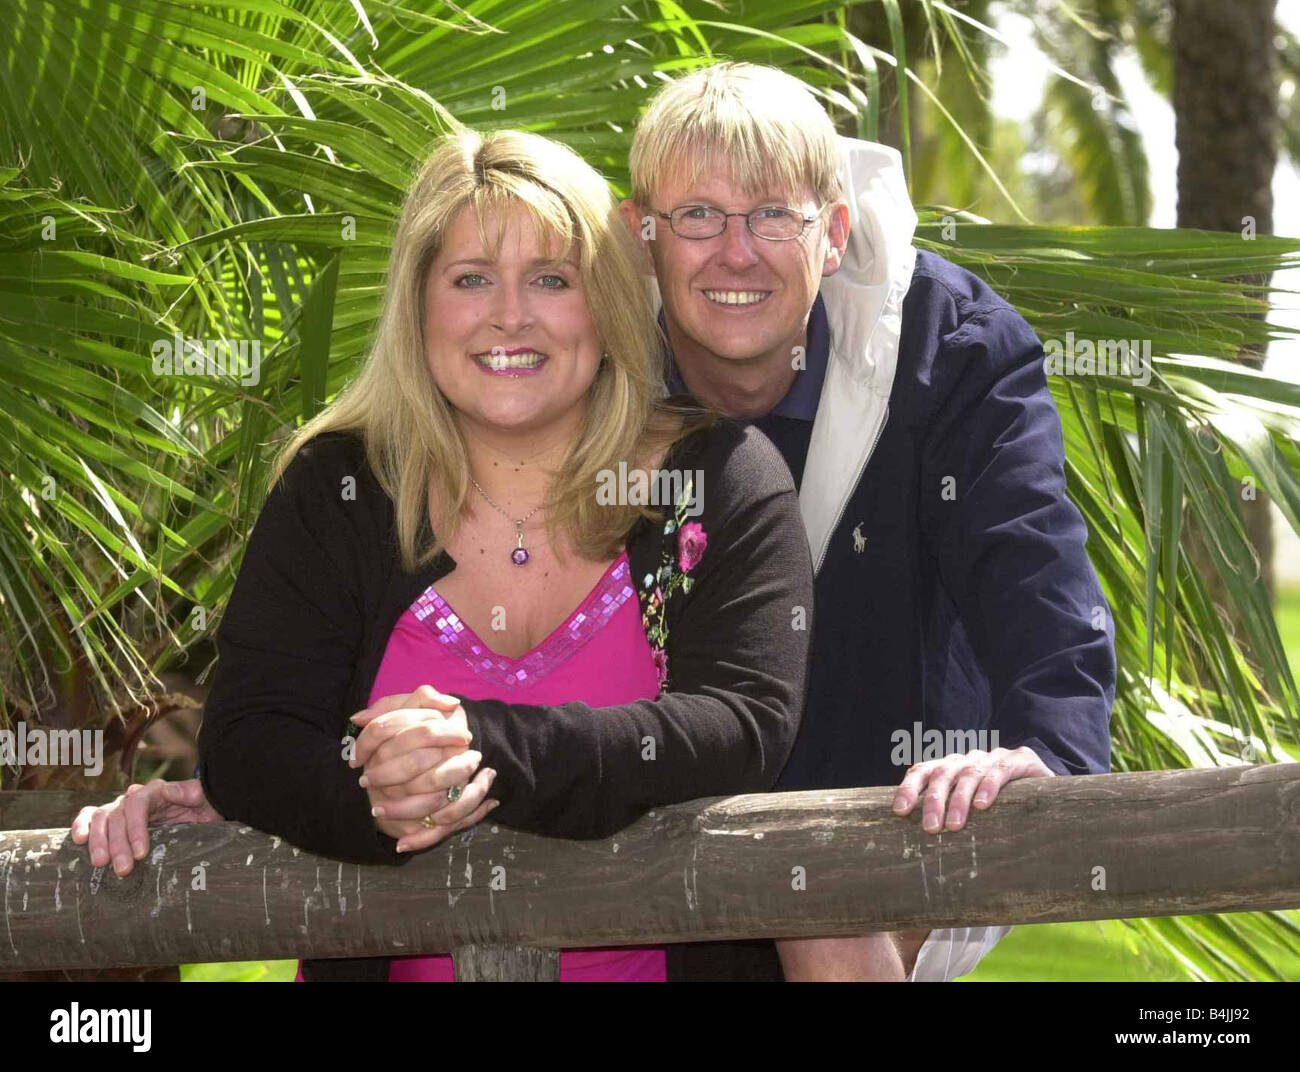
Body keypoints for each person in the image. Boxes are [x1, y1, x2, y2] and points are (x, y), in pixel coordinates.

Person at [71, 127, 814, 982]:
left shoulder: (718, 477)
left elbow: (742, 723)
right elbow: (250, 742)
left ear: (605, 306)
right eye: (470, 279)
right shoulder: (341, 485)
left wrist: (486, 751)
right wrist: (373, 792)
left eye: (550, 278)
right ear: (419, 305)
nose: (509, 314)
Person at [617, 62, 1116, 981]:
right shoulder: (580, 353)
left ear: (836, 232)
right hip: (655, 826)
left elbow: (1032, 563)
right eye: (698, 215)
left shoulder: (951, 344)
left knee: (829, 918)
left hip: (896, 816)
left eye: (776, 214)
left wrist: (1055, 750)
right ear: (639, 232)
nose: (738, 252)